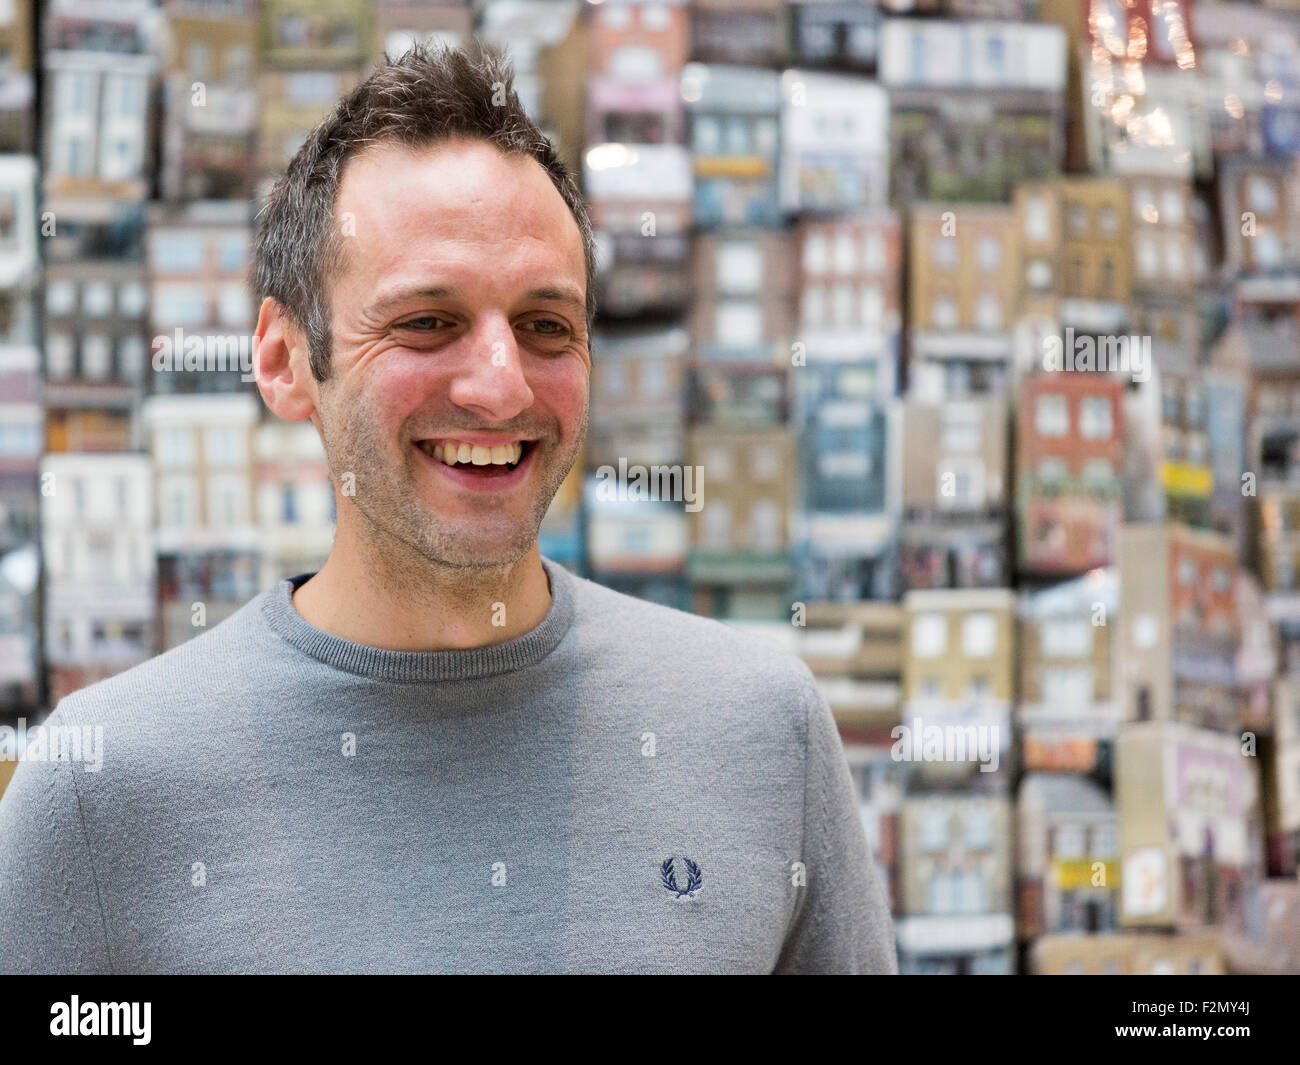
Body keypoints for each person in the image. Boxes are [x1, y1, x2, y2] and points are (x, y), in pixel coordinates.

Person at [0, 43, 896, 974]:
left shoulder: (763, 733)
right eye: (427, 321)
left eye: (548, 326)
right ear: (282, 360)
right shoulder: (100, 788)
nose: (502, 387)